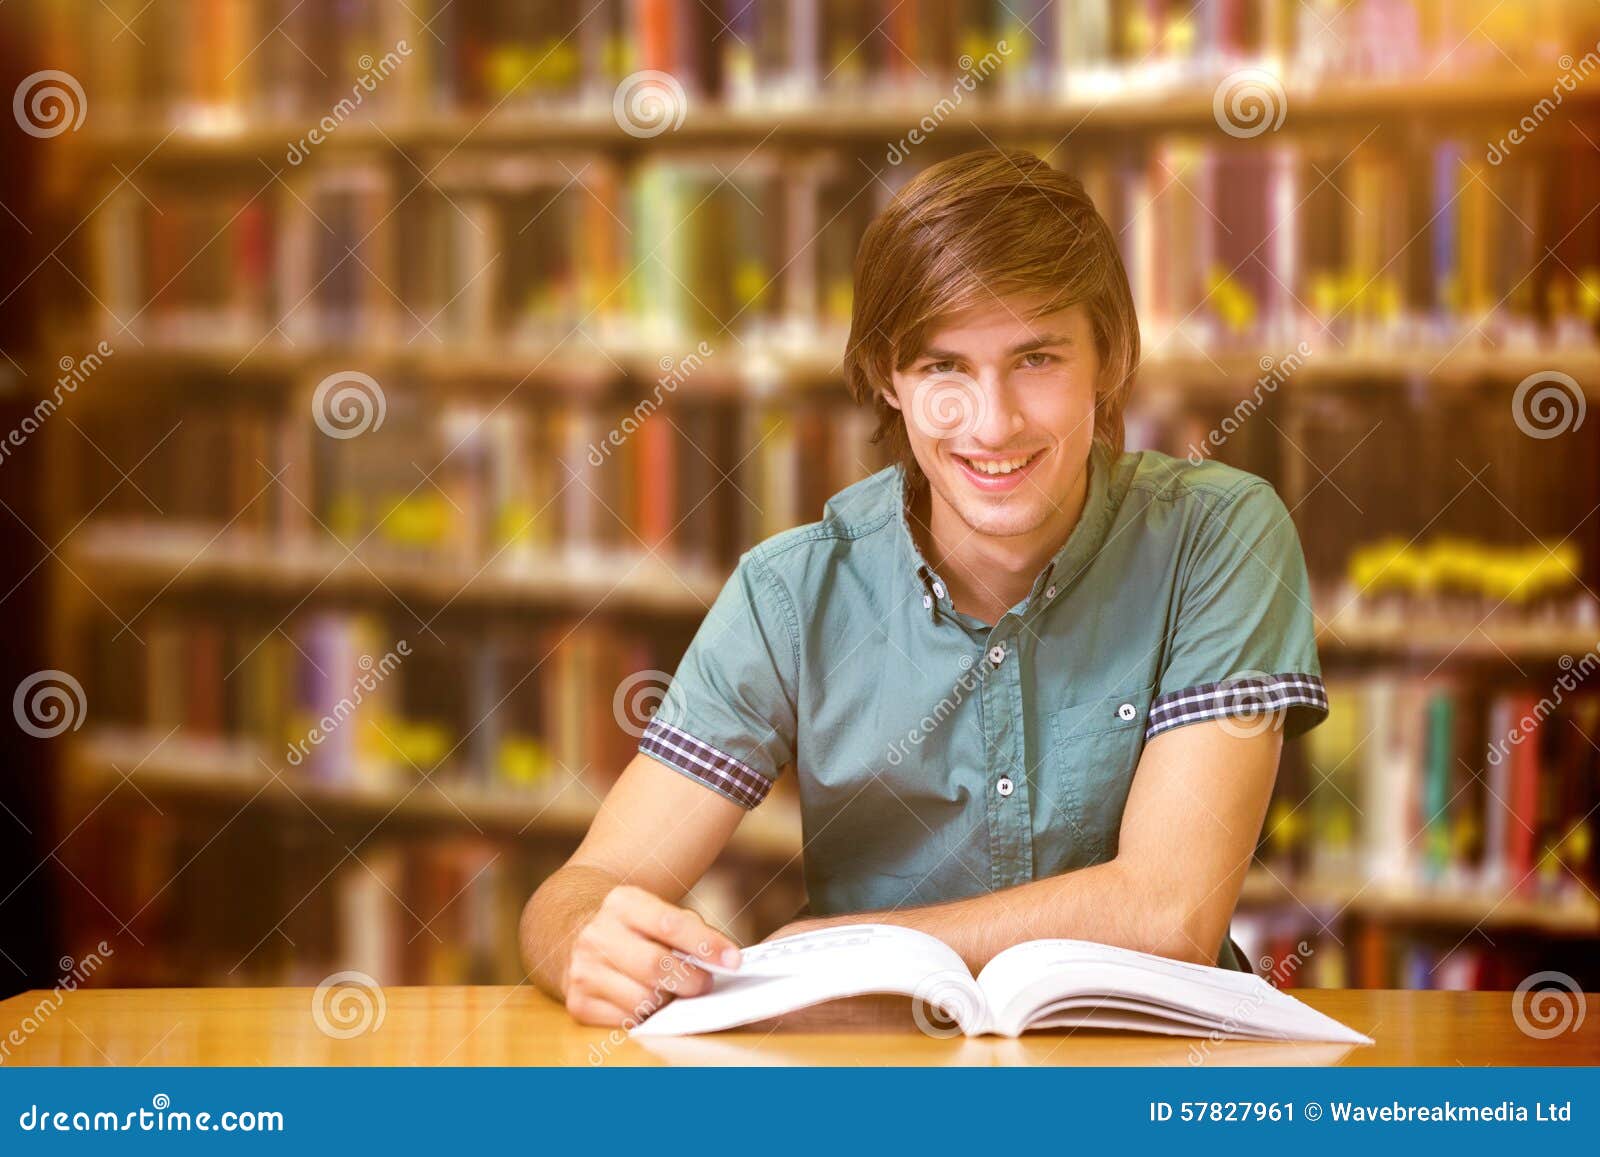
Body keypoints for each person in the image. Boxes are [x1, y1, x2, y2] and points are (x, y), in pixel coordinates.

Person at [521, 148, 1327, 1027]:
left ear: (1112, 357)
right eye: (945, 368)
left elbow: (1169, 911)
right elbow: (581, 890)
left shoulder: (1218, 536)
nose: (993, 423)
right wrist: (586, 945)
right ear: (886, 378)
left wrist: (830, 945)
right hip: (884, 1085)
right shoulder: (789, 595)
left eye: (1037, 358)